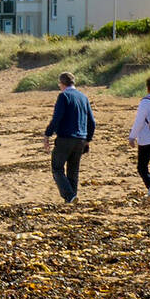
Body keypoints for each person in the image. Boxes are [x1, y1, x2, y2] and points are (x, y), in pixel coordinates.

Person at [44, 71, 95, 203]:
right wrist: (88, 139)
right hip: (81, 139)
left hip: (66, 137)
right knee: (73, 170)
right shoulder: (83, 97)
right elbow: (92, 121)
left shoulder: (64, 96)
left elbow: (57, 118)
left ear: (62, 83)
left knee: (57, 168)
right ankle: (72, 198)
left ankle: (69, 196)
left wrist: (47, 134)